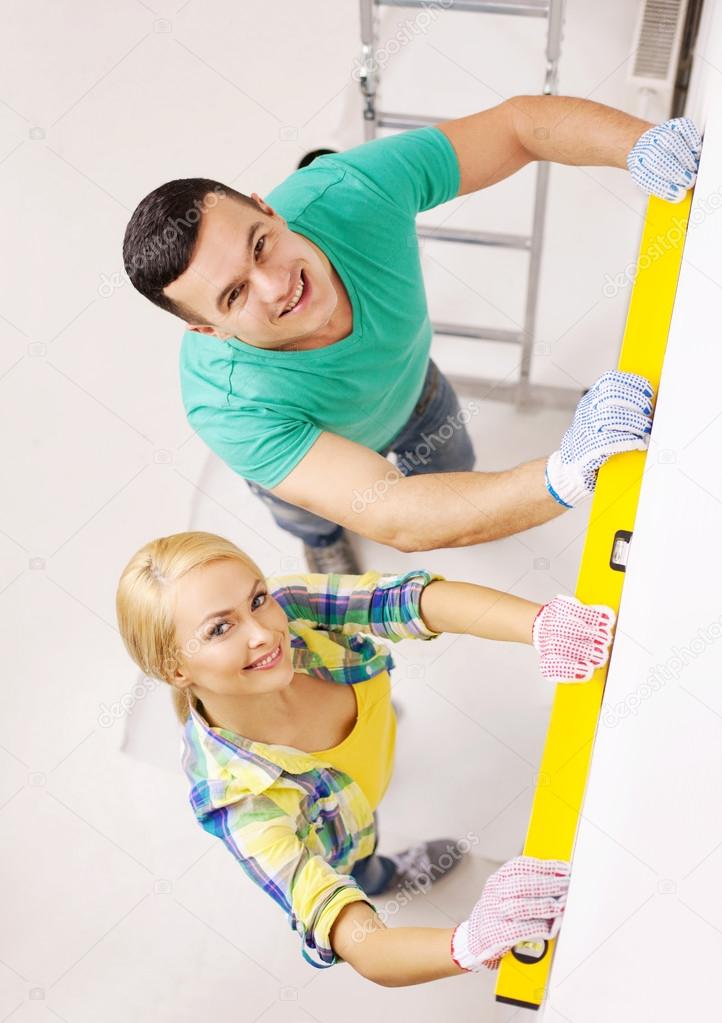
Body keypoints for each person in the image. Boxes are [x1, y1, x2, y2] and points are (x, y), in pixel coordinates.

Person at [121, 99, 701, 573]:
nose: (277, 285)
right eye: (234, 295)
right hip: (313, 451)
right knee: (312, 518)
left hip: (416, 392)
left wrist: (637, 143)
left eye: (260, 244)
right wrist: (570, 471)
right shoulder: (225, 408)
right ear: (208, 329)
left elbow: (519, 128)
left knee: (458, 475)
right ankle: (321, 540)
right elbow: (395, 514)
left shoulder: (350, 191)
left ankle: (479, 507)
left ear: (266, 208)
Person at [115, 530, 616, 985]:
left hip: (368, 757)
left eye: (256, 599)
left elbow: (408, 601)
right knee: (363, 869)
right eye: (219, 630)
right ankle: (384, 874)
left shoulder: (292, 608)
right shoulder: (239, 800)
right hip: (343, 835)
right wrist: (470, 942)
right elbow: (362, 944)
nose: (265, 632)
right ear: (173, 669)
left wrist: (541, 623)